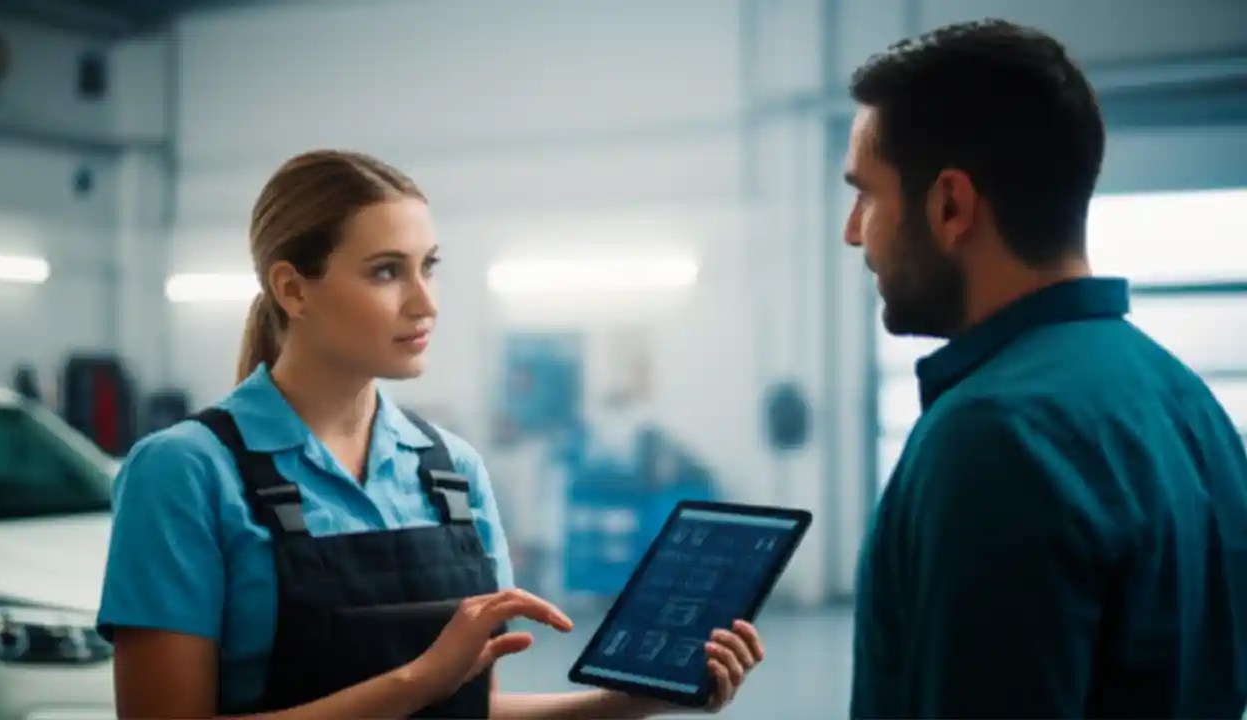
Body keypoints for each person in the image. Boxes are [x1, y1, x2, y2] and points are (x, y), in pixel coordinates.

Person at [96, 150, 766, 719]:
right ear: (293, 290)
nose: (426, 301)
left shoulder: (451, 471)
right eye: (387, 270)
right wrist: (419, 682)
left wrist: (639, 698)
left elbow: (477, 708)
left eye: (429, 265)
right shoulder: (184, 472)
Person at [842, 19, 1247, 719]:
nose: (854, 231)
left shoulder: (992, 437)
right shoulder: (1185, 400)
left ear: (950, 205)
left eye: (867, 194)